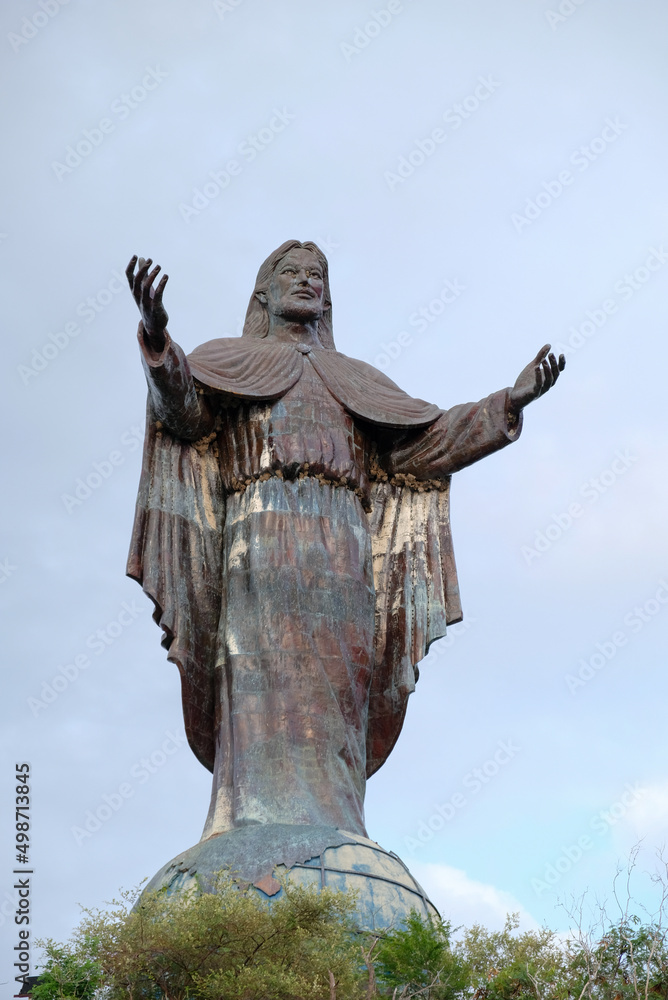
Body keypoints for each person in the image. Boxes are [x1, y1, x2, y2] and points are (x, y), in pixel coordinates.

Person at [126, 240, 564, 841]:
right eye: (292, 273)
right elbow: (184, 414)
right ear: (264, 292)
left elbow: (426, 445)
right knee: (257, 680)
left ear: (328, 295)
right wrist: (156, 338)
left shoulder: (357, 380)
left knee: (340, 685)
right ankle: (249, 824)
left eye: (318, 275)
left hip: (345, 551)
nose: (307, 282)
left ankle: (338, 828)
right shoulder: (225, 359)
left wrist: (507, 403)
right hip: (259, 540)